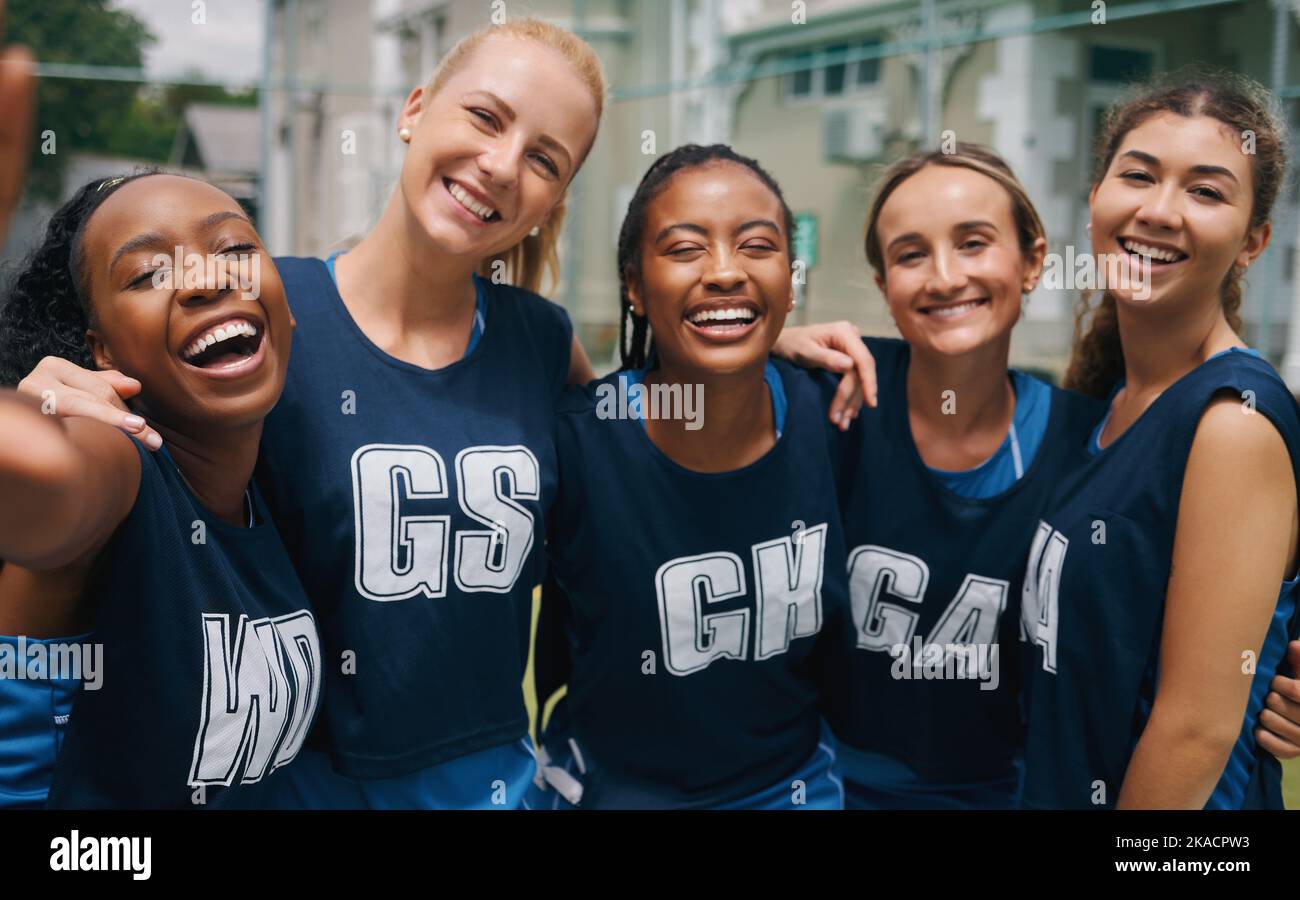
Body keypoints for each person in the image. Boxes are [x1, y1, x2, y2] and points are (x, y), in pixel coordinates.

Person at [529, 144, 848, 808]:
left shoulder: (841, 415)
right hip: (609, 789)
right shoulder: (576, 441)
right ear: (635, 288)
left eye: (757, 246)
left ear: (792, 278)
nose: (725, 271)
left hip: (791, 787)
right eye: (684, 249)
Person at [1021, 69, 1300, 808]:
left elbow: (1195, 734)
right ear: (1096, 200)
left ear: (1254, 241)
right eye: (1137, 176)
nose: (1160, 210)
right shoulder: (1107, 400)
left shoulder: (1230, 422)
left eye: (1206, 192)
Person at [0, 172, 321, 808]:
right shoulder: (118, 459)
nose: (206, 280)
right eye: (149, 276)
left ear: (283, 305)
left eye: (234, 251)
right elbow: (47, 483)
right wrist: (31, 422)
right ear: (103, 353)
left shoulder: (271, 491)